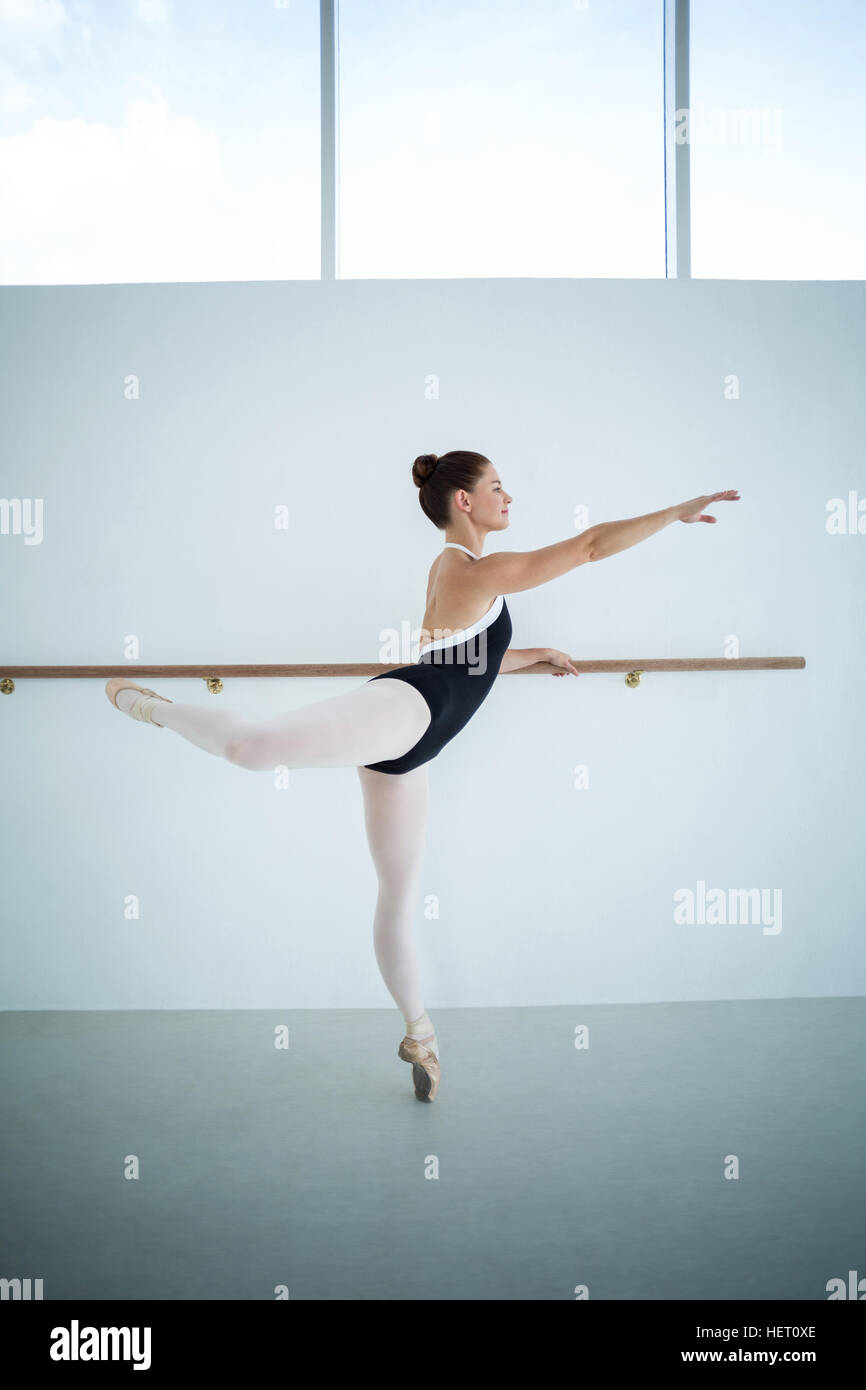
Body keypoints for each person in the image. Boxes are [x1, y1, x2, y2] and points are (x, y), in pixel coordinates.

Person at [106, 449, 739, 1101]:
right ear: (463, 501)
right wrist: (674, 513)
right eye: (498, 487)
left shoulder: (462, 574)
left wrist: (526, 656)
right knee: (253, 750)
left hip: (417, 741)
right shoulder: (472, 569)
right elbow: (590, 546)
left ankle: (421, 1037)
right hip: (405, 708)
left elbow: (457, 657)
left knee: (398, 896)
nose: (509, 497)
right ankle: (147, 705)